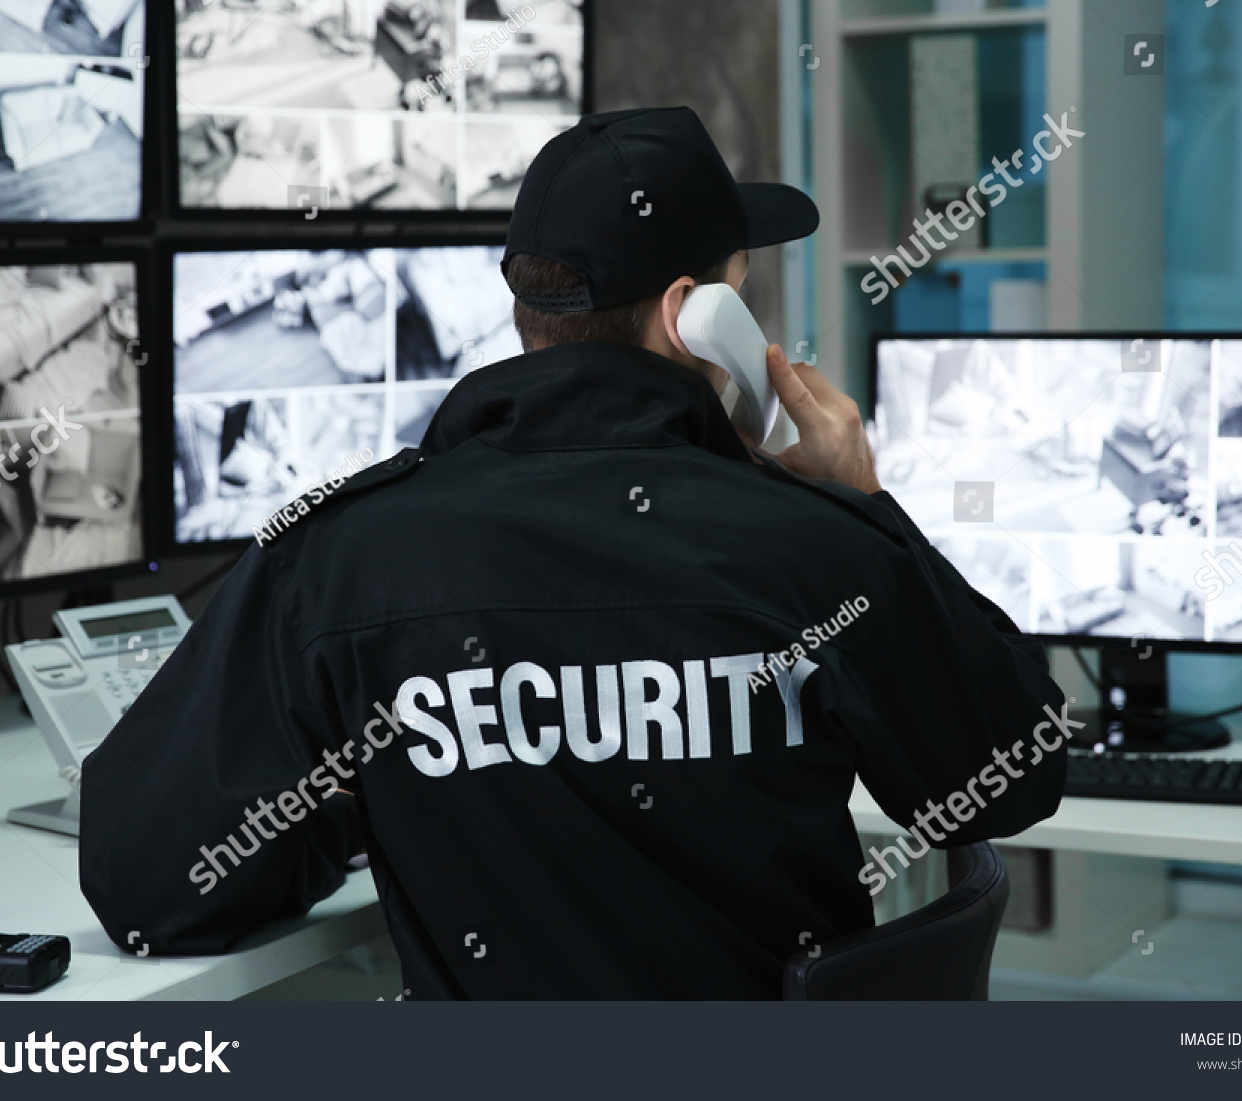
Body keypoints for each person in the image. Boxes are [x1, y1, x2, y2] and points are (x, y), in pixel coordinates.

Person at [80, 107, 1067, 999]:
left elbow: (149, 888)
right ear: (698, 319)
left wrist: (373, 787)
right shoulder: (811, 546)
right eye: (741, 291)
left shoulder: (341, 554)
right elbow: (1013, 773)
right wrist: (868, 504)